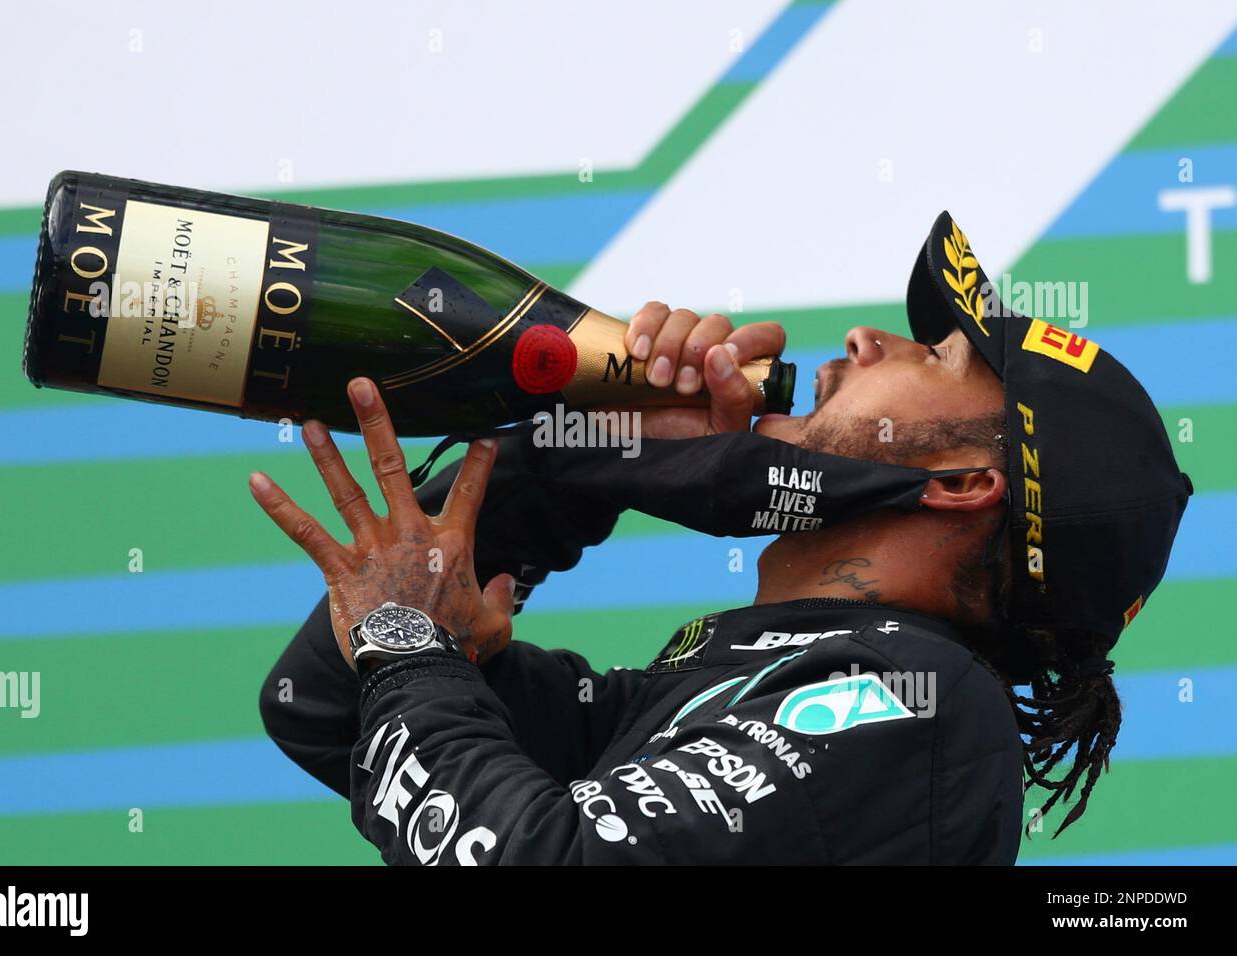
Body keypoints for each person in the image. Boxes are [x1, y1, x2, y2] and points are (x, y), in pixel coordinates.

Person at [251, 212, 1191, 865]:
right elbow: (327, 706)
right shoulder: (734, 679)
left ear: (961, 485)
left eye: (937, 356)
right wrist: (590, 451)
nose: (868, 339)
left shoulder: (921, 705)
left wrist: (411, 648)